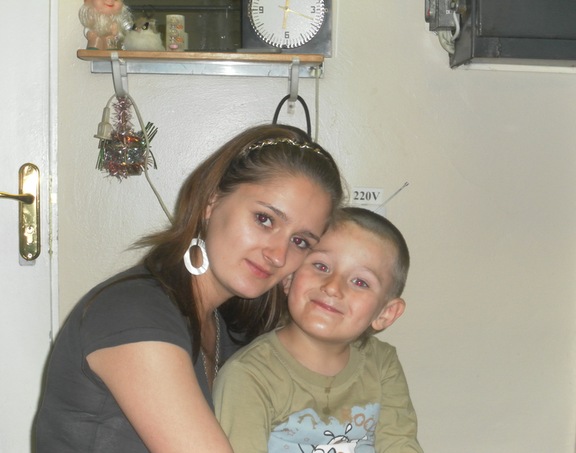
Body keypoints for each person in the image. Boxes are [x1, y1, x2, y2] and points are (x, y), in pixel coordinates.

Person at [35, 124, 344, 453]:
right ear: (212, 202)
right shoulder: (132, 313)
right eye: (264, 219)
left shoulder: (228, 330)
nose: (278, 255)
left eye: (300, 241)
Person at [213, 207, 423, 453]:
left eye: (360, 282)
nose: (333, 287)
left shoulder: (382, 363)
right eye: (321, 266)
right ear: (289, 278)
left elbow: (400, 444)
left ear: (385, 313)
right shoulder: (249, 375)